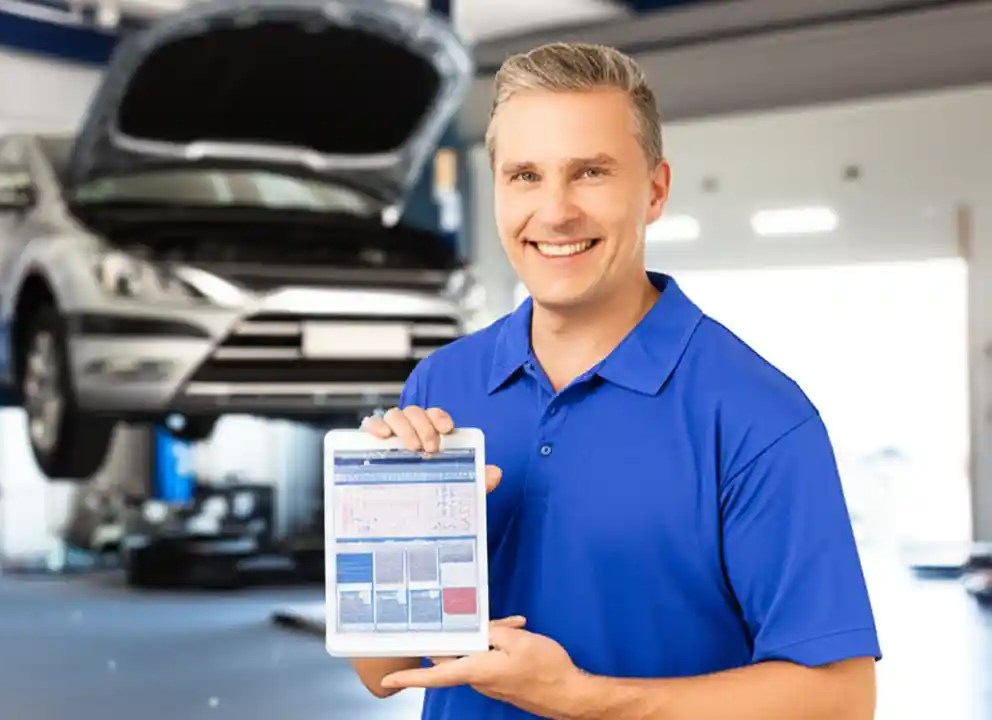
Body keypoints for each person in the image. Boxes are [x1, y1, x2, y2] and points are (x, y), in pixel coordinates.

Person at [352, 42, 880, 719]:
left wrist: (583, 699)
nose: (555, 211)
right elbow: (384, 672)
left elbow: (840, 700)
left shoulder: (756, 415)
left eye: (590, 173)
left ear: (655, 190)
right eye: (524, 176)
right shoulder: (442, 383)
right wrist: (388, 519)